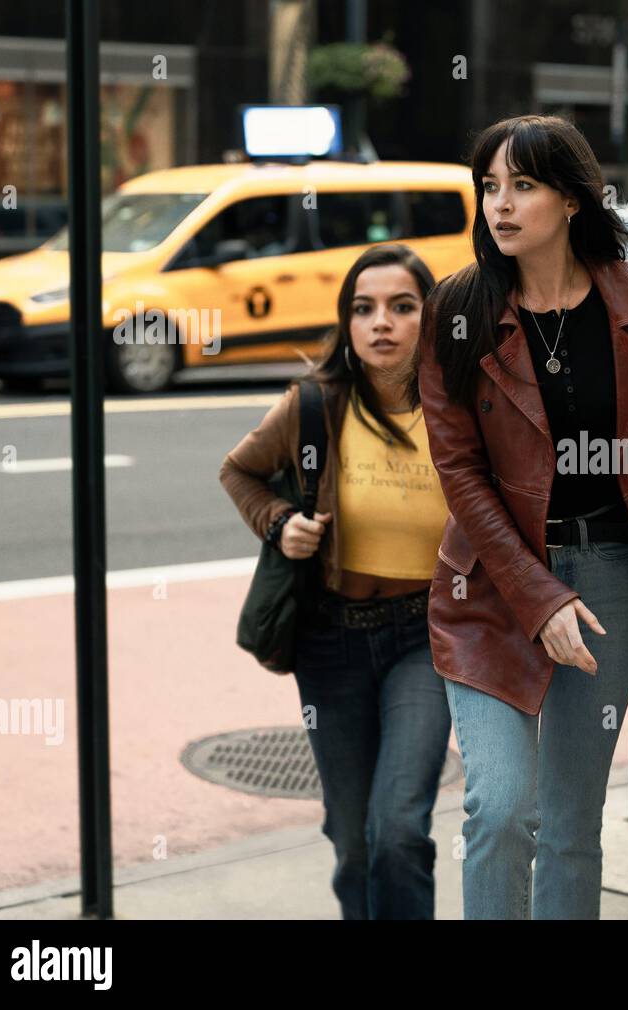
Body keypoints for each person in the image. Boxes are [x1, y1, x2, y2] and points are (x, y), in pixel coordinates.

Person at [416, 114, 628, 920]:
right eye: (489, 186)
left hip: (610, 583)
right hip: (490, 590)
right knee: (499, 810)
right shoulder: (457, 309)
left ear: (570, 199)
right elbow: (460, 473)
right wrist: (538, 597)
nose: (500, 204)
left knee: (569, 823)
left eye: (522, 185)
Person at [219, 244, 452, 919]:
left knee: (400, 831)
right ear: (347, 323)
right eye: (363, 308)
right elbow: (239, 471)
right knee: (352, 842)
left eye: (402, 307)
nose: (381, 322)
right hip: (331, 642)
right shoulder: (314, 406)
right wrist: (279, 521)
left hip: (424, 640)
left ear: (429, 320)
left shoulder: (461, 410)